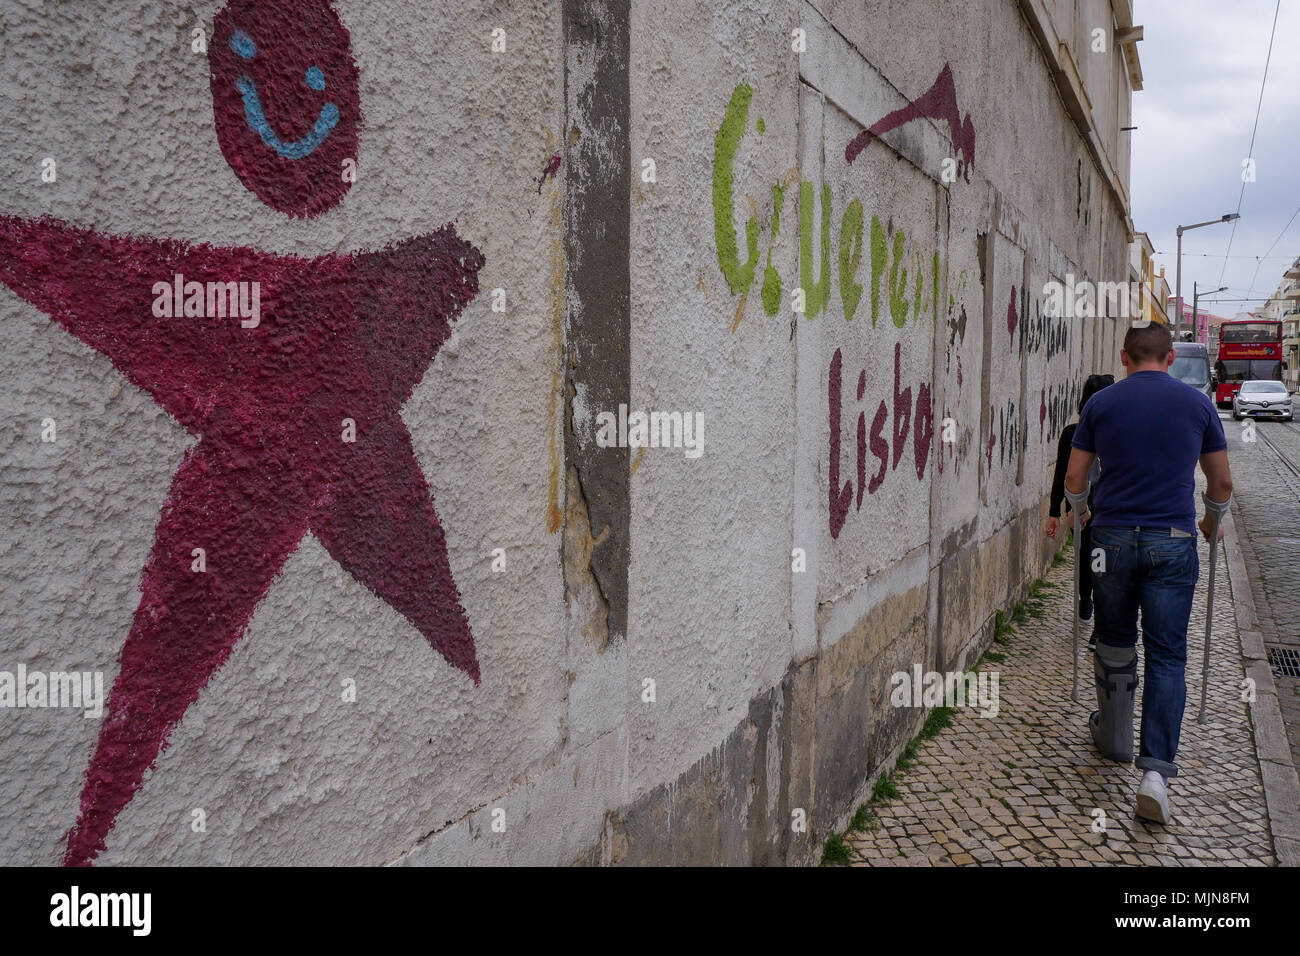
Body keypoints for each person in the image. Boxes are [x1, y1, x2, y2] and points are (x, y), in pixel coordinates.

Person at [1064, 322, 1232, 825]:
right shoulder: (1199, 405)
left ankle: (1115, 737)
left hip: (1110, 541)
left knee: (1113, 639)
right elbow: (1220, 481)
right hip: (1174, 542)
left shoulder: (1101, 405)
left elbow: (1076, 478)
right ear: (1172, 356)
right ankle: (1155, 774)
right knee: (1167, 654)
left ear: (1124, 356)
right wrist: (1209, 521)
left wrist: (1079, 512)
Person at [1046, 374, 1115, 627]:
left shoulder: (1072, 433)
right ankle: (1091, 607)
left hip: (1085, 508)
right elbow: (1064, 473)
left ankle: (1090, 606)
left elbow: (1063, 475)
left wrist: (1055, 510)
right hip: (1101, 508)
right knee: (1100, 562)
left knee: (1090, 559)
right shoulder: (1112, 435)